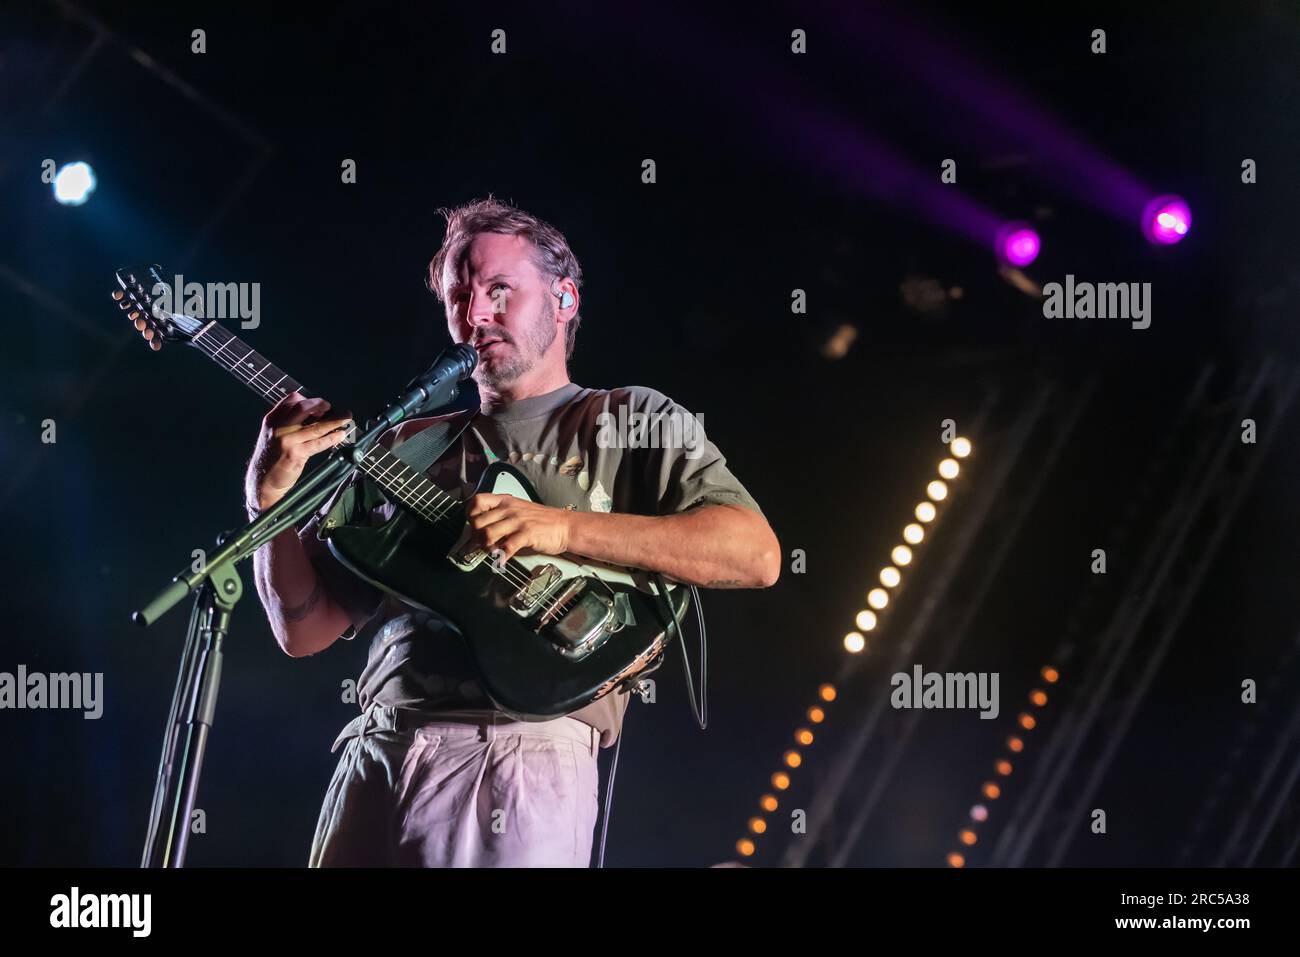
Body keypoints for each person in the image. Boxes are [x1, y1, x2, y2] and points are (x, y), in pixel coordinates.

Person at [243, 197, 781, 866]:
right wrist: (267, 500)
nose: (475, 316)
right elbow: (303, 630)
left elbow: (753, 551)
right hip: (374, 747)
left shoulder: (630, 415)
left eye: (500, 289)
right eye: (458, 297)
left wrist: (560, 528)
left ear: (563, 298)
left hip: (515, 748)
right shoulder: (405, 444)